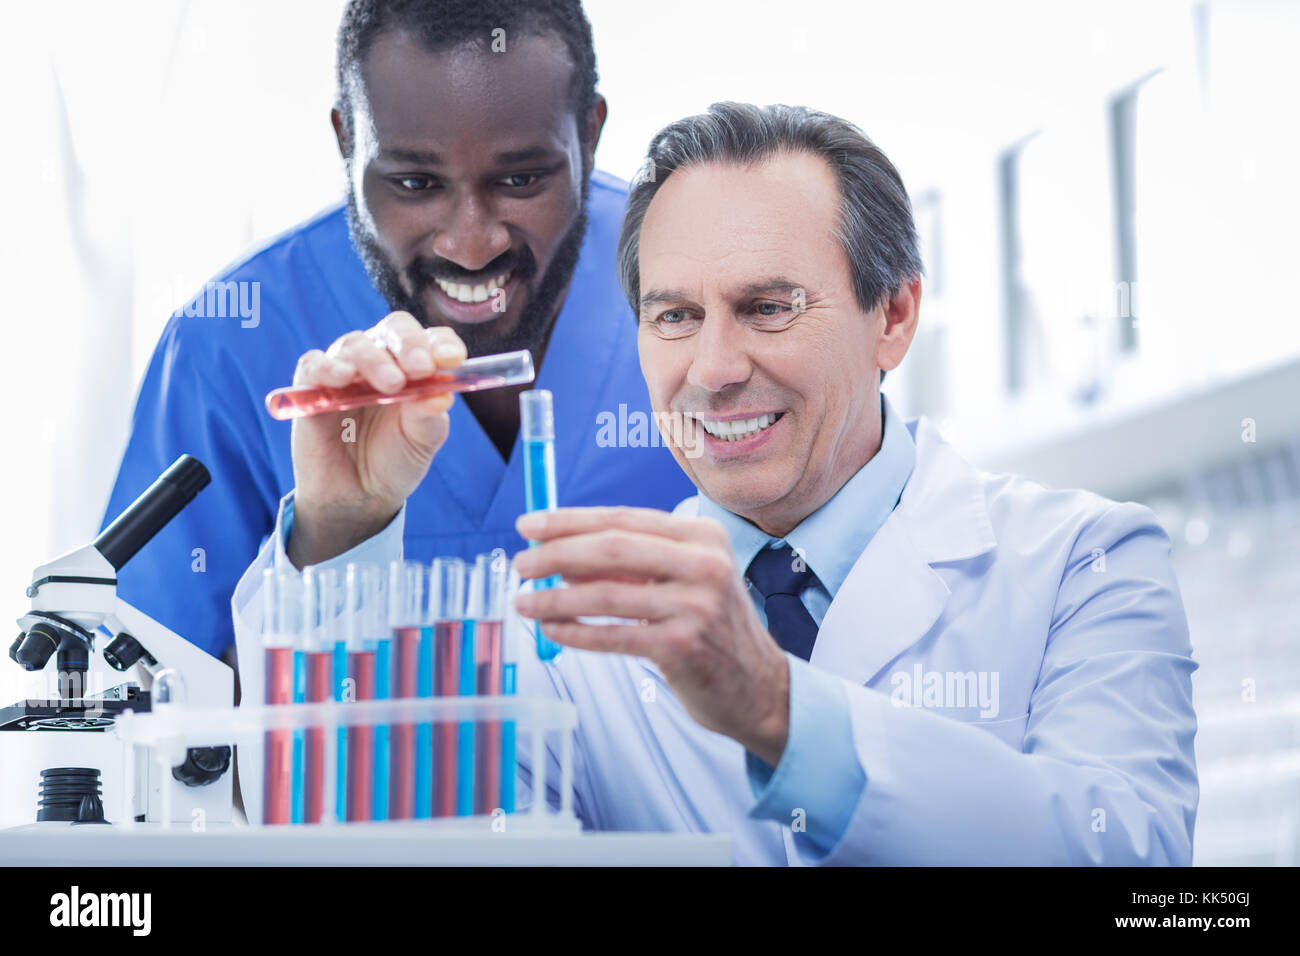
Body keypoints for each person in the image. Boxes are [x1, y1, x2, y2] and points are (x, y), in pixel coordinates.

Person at [234, 103, 1199, 865]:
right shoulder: (574, 629)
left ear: (894, 315)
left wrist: (777, 708)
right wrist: (342, 532)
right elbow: (375, 844)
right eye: (675, 316)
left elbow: (1137, 871)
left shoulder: (1084, 564)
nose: (714, 367)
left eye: (767, 308)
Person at [100, 0, 691, 669]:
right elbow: (148, 702)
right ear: (346, 140)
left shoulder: (699, 288)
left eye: (521, 178)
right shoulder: (229, 343)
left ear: (589, 135)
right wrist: (332, 538)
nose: (472, 244)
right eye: (415, 182)